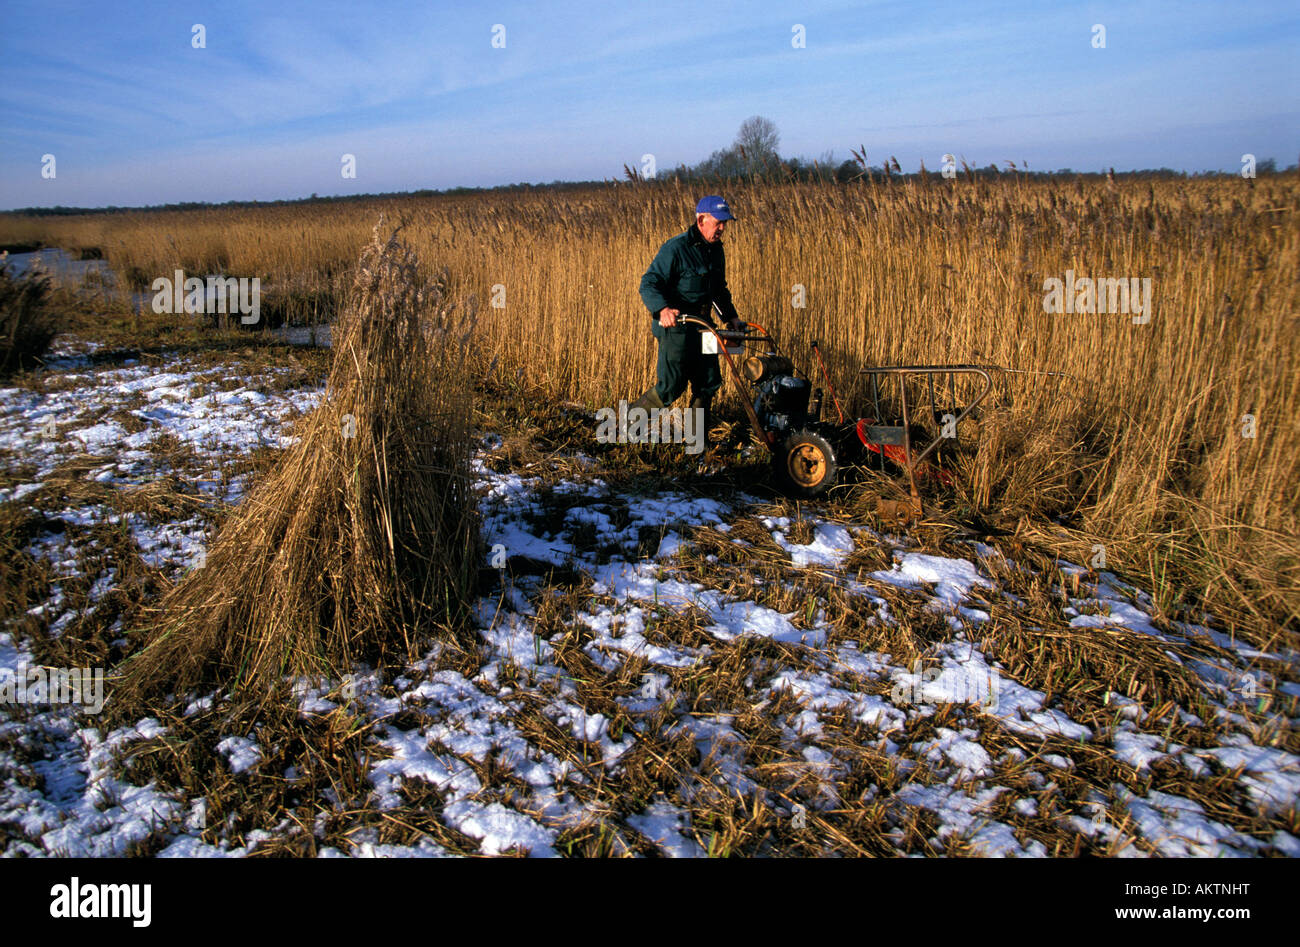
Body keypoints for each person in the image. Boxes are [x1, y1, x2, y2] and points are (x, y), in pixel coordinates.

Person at [633, 195, 743, 438]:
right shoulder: (676, 248)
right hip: (677, 327)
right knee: (671, 387)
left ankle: (696, 444)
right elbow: (649, 282)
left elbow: (718, 291)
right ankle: (623, 427)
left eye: (726, 223)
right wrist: (662, 309)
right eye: (719, 222)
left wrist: (731, 318)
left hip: (704, 326)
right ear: (701, 219)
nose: (723, 228)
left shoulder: (716, 252)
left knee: (708, 383)